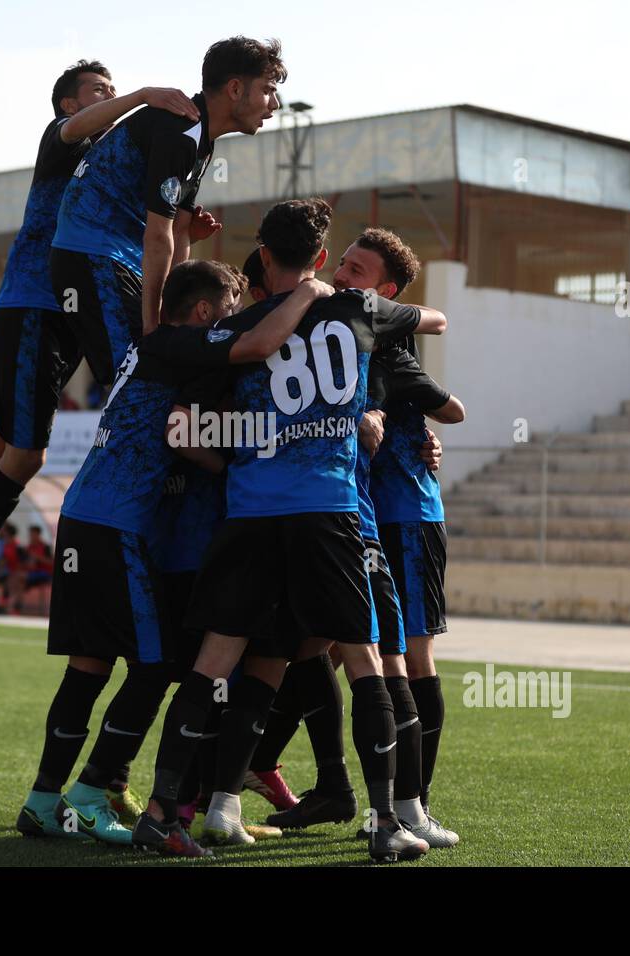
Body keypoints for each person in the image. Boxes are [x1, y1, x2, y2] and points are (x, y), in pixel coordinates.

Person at [134, 199, 449, 863]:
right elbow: (437, 319)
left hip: (248, 515)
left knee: (214, 660)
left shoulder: (241, 328)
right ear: (318, 258)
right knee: (362, 660)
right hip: (326, 512)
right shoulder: (360, 309)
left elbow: (163, 350)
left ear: (264, 257)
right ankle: (386, 821)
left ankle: (164, 812)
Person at [15, 259, 330, 852]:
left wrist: (185, 235)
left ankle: (41, 800)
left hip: (86, 515)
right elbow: (259, 343)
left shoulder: (151, 346)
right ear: (206, 314)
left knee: (88, 667)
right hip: (117, 525)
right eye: (227, 311)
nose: (232, 322)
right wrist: (310, 290)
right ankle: (87, 795)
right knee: (157, 667)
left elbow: (172, 260)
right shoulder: (181, 344)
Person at [0, 59, 199, 640]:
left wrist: (186, 234)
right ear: (70, 106)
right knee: (27, 454)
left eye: (115, 89)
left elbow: (143, 226)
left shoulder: (113, 164)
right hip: (35, 303)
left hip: (67, 311)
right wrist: (145, 95)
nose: (112, 96)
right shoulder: (62, 141)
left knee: (1, 439)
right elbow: (82, 129)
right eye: (100, 92)